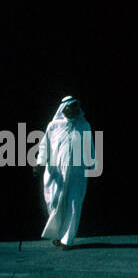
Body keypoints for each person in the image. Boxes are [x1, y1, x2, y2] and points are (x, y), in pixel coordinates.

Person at [36, 97, 94, 249]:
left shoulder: (84, 125)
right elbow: (44, 146)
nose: (75, 110)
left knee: (74, 204)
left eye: (77, 107)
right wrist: (39, 163)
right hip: (56, 173)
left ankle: (67, 240)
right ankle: (58, 234)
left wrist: (92, 165)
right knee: (55, 202)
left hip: (77, 172)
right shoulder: (54, 126)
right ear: (64, 109)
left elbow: (90, 148)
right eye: (72, 107)